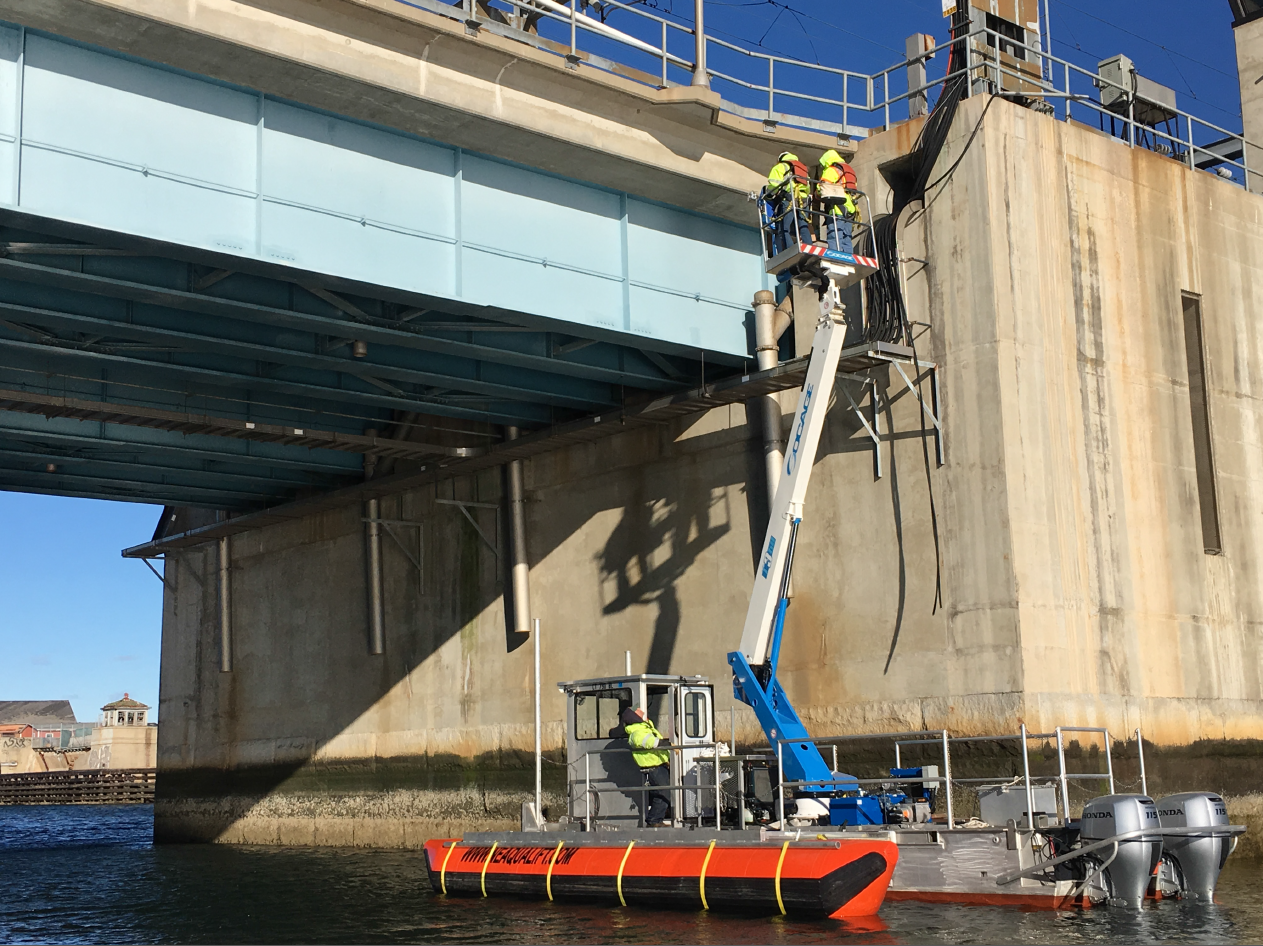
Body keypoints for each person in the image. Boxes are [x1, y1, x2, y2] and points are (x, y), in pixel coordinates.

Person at [622, 706, 671, 827]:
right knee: (663, 791)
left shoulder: (645, 728)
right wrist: (669, 744)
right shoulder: (637, 732)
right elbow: (652, 742)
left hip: (659, 764)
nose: (642, 711)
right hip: (652, 767)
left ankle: (656, 820)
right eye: (639, 712)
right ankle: (654, 820)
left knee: (660, 792)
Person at [766, 151, 812, 255]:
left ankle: (791, 252)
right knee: (803, 227)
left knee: (784, 229)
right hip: (804, 200)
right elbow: (808, 188)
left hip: (789, 198)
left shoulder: (780, 167)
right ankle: (809, 250)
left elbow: (774, 185)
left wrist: (769, 195)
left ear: (780, 159)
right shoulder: (802, 169)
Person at [816, 149, 860, 258]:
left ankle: (835, 257)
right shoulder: (848, 170)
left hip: (837, 207)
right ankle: (848, 258)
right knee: (846, 237)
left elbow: (823, 187)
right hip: (850, 208)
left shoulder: (831, 170)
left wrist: (817, 193)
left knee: (834, 235)